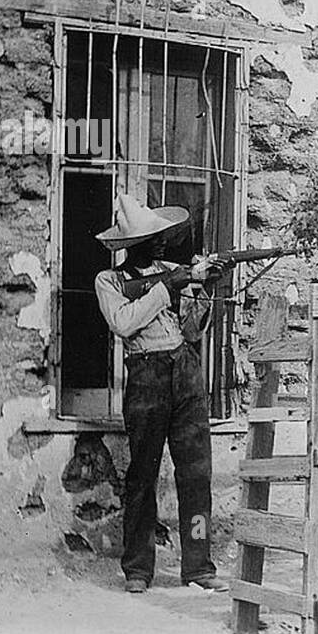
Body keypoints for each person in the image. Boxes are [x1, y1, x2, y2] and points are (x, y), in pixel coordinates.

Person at [94, 194, 231, 593]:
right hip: (146, 375)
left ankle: (199, 566)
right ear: (129, 245)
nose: (160, 243)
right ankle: (138, 569)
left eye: (159, 236)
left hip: (185, 370)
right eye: (150, 238)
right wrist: (168, 286)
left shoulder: (173, 271)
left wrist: (202, 289)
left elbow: (190, 331)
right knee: (142, 477)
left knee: (197, 474)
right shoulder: (111, 281)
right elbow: (123, 323)